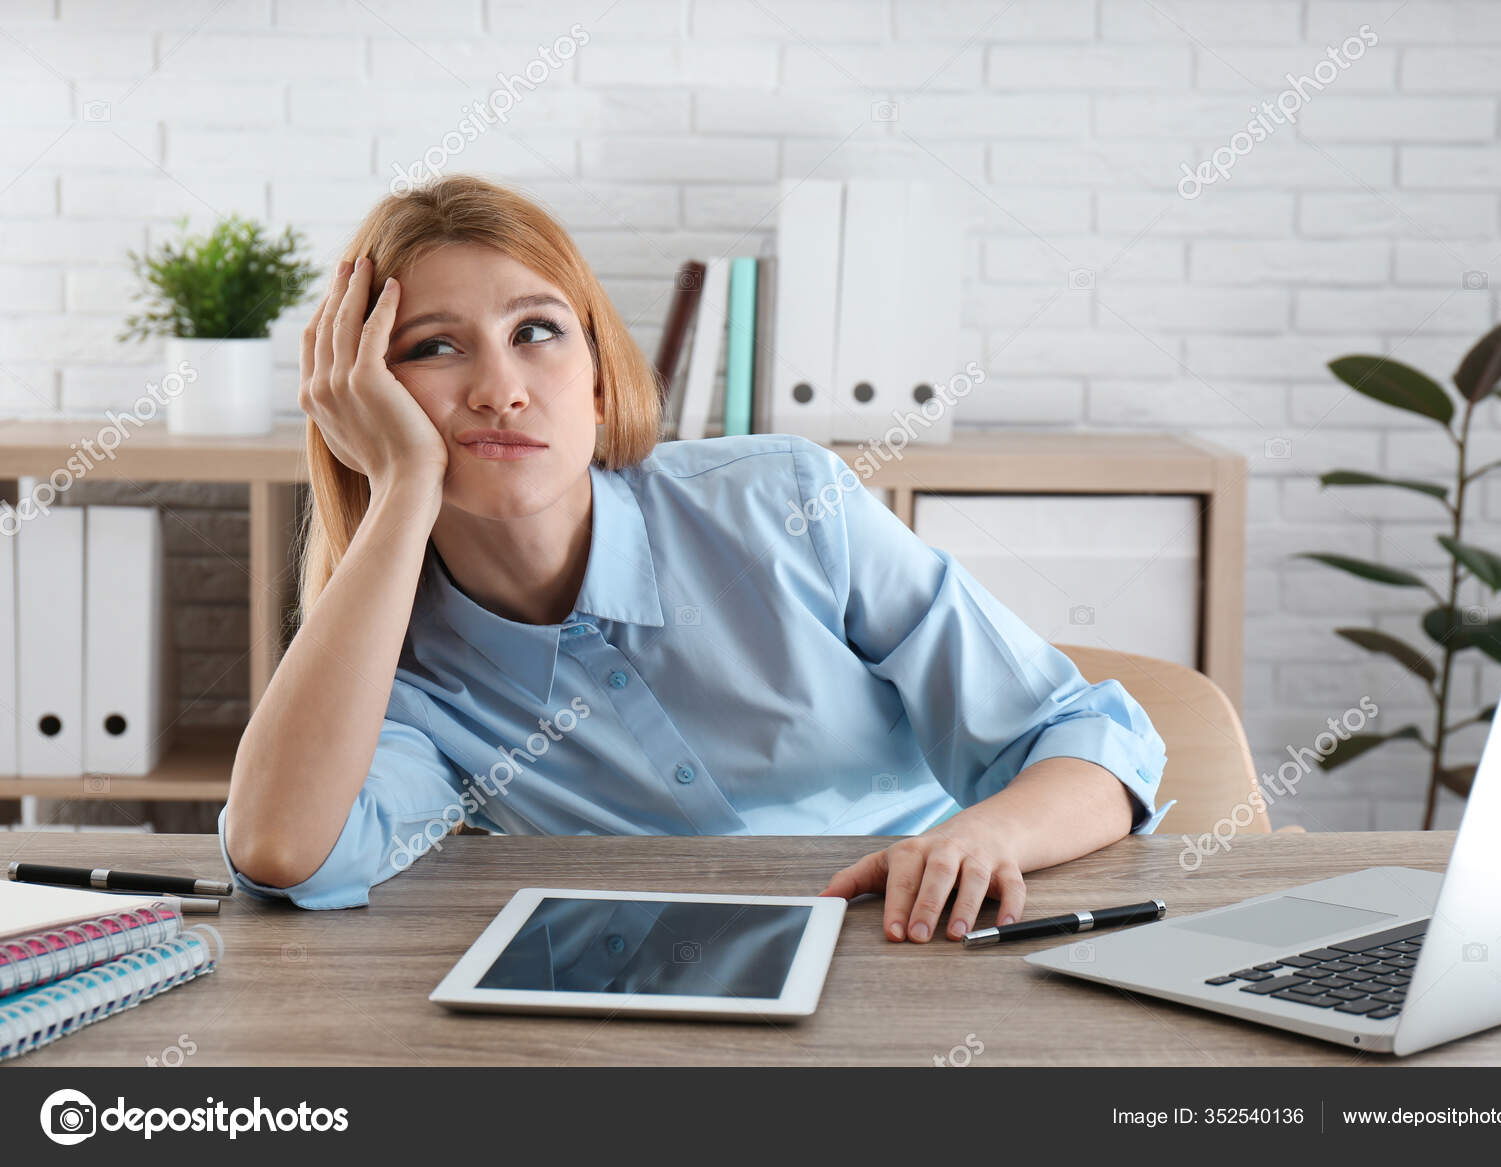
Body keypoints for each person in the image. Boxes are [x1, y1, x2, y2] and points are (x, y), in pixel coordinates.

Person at [218, 174, 1172, 944]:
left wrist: (983, 835)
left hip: (919, 944)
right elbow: (282, 849)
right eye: (434, 348)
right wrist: (398, 488)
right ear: (363, 401)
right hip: (650, 998)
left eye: (535, 331)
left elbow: (1090, 735)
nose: (500, 389)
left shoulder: (788, 502)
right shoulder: (399, 666)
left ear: (599, 381)